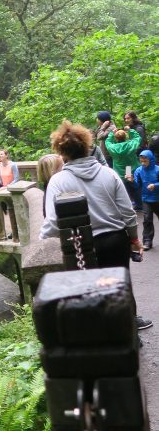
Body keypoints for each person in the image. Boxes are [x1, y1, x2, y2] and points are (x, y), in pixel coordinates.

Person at [40, 121, 151, 329]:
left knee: (91, 292)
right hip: (115, 240)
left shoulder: (58, 181)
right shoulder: (108, 173)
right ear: (87, 146)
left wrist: (41, 243)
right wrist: (134, 238)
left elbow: (52, 222)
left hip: (80, 244)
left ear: (62, 152)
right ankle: (130, 328)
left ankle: (104, 332)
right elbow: (128, 212)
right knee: (121, 285)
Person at [106, 127, 141, 208]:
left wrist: (112, 133)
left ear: (116, 138)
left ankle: (128, 205)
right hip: (130, 168)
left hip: (119, 170)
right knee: (135, 186)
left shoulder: (113, 147)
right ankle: (139, 204)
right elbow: (137, 138)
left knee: (124, 188)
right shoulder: (130, 145)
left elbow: (107, 142)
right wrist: (130, 130)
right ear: (125, 137)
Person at [134, 150, 159, 251]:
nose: (143, 163)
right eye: (141, 161)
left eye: (145, 161)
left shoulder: (157, 169)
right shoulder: (139, 170)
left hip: (157, 198)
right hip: (146, 199)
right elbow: (137, 185)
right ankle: (147, 241)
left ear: (151, 160)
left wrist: (155, 185)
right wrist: (132, 181)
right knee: (147, 220)